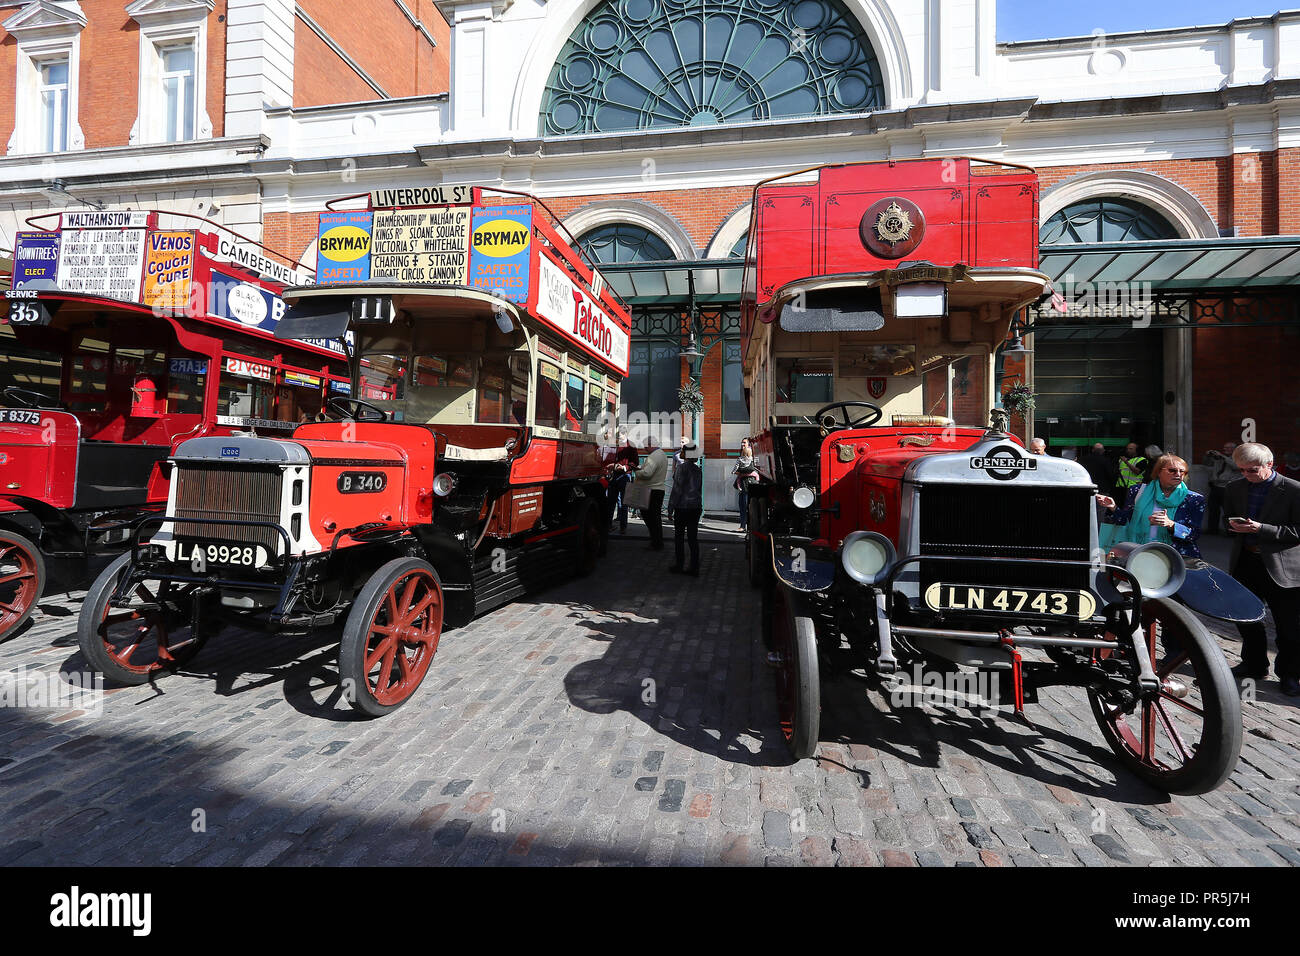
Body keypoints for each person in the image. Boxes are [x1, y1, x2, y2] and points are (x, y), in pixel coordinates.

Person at [1223, 442, 1300, 697]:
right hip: (1246, 562)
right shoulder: (1235, 487)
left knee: (1288, 626)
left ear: (1270, 464)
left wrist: (1260, 529)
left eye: (1252, 470)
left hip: (1282, 567)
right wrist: (1233, 526)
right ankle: (1254, 664)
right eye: (1242, 470)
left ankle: (1290, 674)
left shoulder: (1293, 490)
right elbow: (1228, 520)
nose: (1247, 475)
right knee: (1247, 619)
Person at [1097, 453, 1204, 558]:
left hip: (1174, 557)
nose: (1178, 474)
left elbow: (1193, 534)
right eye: (1172, 470)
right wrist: (1113, 507)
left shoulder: (1194, 499)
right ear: (1158, 472)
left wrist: (1171, 524)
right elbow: (1125, 521)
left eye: (1182, 472)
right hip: (1138, 553)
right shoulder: (1138, 491)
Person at [667, 439, 703, 575]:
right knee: (693, 538)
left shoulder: (682, 468)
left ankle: (679, 564)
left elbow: (676, 490)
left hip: (683, 506)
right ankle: (694, 567)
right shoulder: (698, 470)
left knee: (679, 537)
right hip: (695, 506)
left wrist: (670, 508)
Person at [633, 435, 668, 551]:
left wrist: (637, 471)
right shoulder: (662, 454)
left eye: (646, 447)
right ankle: (657, 541)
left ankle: (656, 542)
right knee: (655, 518)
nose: (645, 449)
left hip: (651, 490)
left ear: (651, 445)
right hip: (658, 489)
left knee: (651, 518)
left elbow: (647, 474)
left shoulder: (654, 456)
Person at [1203, 441, 1238, 535]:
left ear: (1234, 449)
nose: (1225, 449)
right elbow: (1206, 464)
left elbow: (1235, 466)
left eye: (1228, 448)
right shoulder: (1219, 459)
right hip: (1215, 486)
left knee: (1228, 511)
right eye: (1224, 448)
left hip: (1228, 487)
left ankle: (1231, 531)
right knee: (1213, 509)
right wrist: (1208, 455)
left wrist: (1223, 456)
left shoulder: (1237, 458)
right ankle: (1212, 530)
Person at [605, 441, 639, 535]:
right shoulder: (613, 444)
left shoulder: (631, 445)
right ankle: (609, 525)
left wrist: (624, 467)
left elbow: (635, 462)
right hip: (613, 476)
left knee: (624, 503)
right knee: (611, 502)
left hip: (625, 476)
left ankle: (623, 527)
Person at [731, 438, 758, 530]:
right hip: (742, 483)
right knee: (742, 505)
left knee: (747, 505)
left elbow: (755, 469)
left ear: (749, 444)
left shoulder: (752, 455)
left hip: (749, 483)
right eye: (742, 443)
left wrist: (741, 472)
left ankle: (748, 526)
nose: (742, 444)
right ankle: (742, 526)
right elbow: (735, 471)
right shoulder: (741, 456)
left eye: (744, 443)